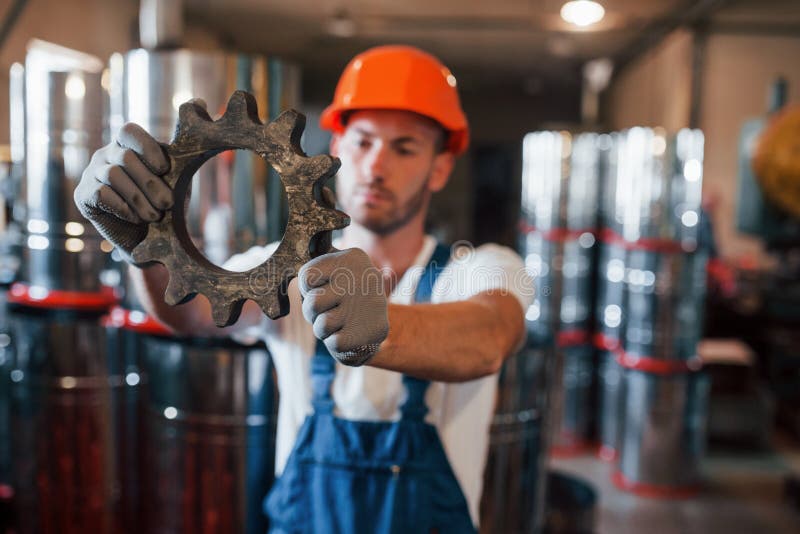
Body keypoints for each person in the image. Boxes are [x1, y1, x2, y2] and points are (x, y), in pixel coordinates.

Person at [75, 44, 532, 533]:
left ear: (439, 168)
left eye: (404, 148)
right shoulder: (282, 269)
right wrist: (146, 247)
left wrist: (383, 329)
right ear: (337, 147)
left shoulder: (481, 267)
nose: (376, 166)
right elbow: (188, 313)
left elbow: (489, 335)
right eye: (363, 142)